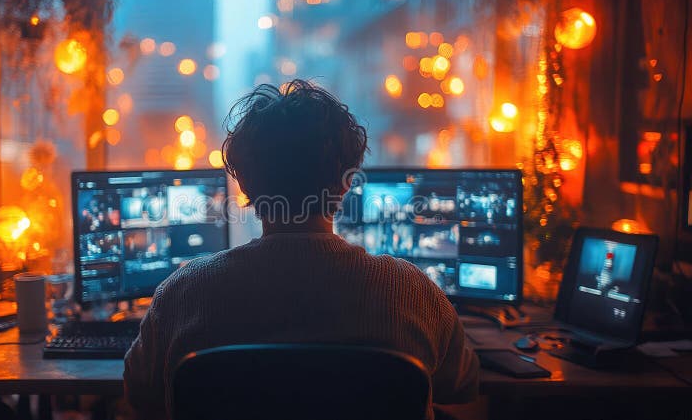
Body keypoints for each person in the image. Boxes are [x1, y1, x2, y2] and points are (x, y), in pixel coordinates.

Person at [124, 80, 479, 420]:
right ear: (345, 186)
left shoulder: (182, 295)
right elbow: (461, 386)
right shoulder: (411, 292)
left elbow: (140, 392)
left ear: (245, 185)